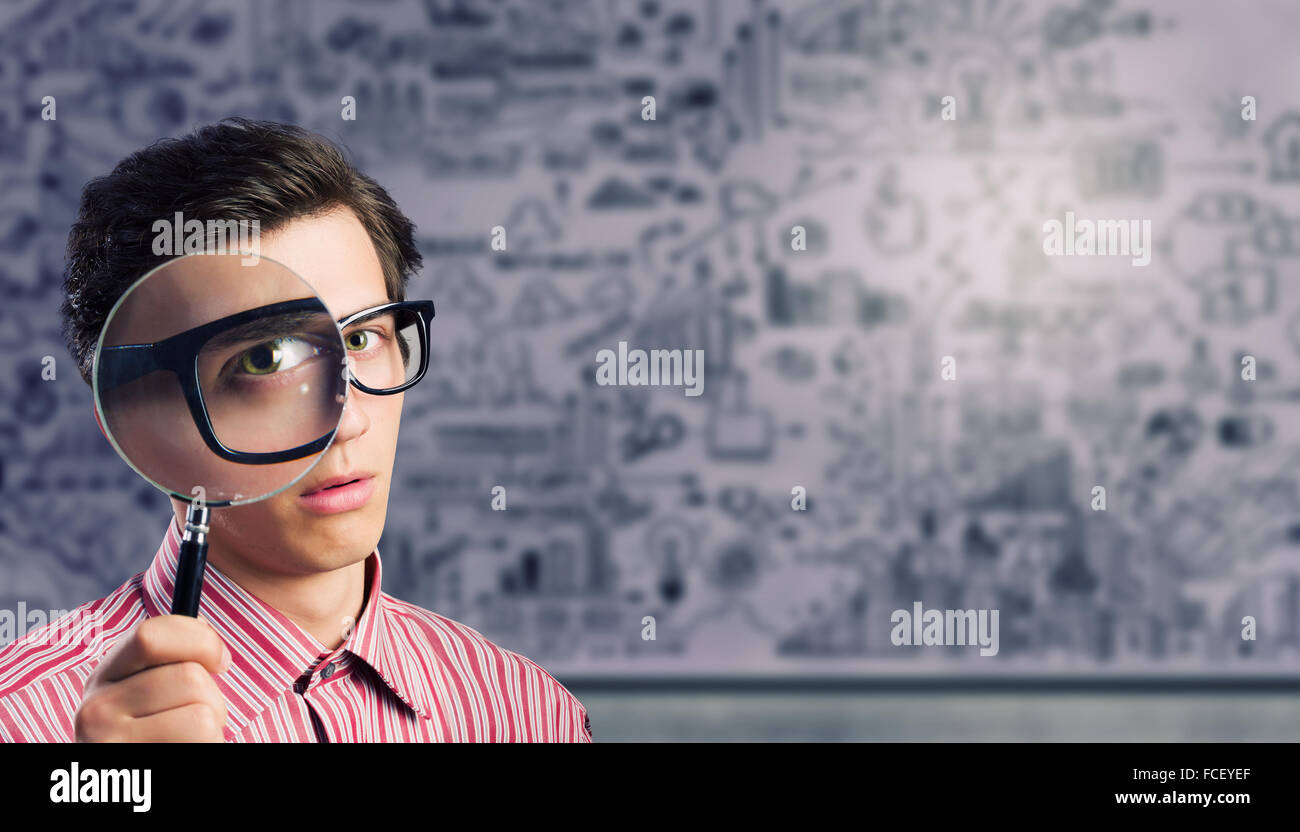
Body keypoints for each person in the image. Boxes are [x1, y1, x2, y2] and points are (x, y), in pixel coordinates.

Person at [0, 118, 592, 742]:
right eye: (266, 360)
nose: (351, 421)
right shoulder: (25, 724)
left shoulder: (527, 712)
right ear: (135, 424)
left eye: (362, 338)